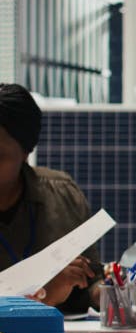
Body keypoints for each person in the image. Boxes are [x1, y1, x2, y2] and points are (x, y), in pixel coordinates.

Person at [0, 83, 102, 314]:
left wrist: (107, 293)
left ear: (26, 152)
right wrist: (45, 294)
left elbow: (93, 278)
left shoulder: (61, 195)